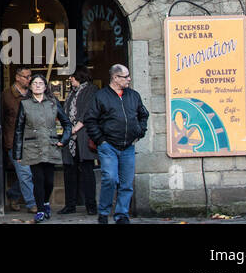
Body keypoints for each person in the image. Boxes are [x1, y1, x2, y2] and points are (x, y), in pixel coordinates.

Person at [84, 63, 149, 224]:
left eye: (128, 76)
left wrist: (140, 132)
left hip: (128, 146)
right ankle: (104, 212)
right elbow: (90, 120)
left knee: (127, 184)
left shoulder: (133, 95)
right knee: (110, 178)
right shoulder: (101, 96)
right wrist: (101, 141)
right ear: (115, 77)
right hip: (108, 146)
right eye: (125, 76)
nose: (129, 79)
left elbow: (143, 115)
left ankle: (121, 215)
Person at [12, 72, 72, 221]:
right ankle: (40, 210)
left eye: (40, 84)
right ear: (31, 87)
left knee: (49, 181)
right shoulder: (25, 104)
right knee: (37, 179)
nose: (38, 86)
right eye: (35, 84)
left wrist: (63, 140)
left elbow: (67, 124)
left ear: (45, 87)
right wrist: (17, 154)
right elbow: (18, 129)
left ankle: (45, 202)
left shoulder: (53, 102)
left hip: (50, 145)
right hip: (32, 146)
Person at [59, 66, 99, 214]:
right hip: (70, 138)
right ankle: (70, 205)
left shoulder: (91, 90)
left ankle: (91, 206)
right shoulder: (72, 93)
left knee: (87, 171)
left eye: (72, 76)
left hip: (83, 136)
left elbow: (88, 111)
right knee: (69, 171)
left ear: (80, 76)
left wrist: (75, 128)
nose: (70, 79)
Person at [1, 65, 36, 212]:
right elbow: (0, 120)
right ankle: (32, 203)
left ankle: (14, 194)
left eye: (30, 77)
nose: (29, 80)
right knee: (25, 173)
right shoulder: (6, 95)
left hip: (33, 140)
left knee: (32, 172)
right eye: (26, 77)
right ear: (17, 77)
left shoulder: (33, 93)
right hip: (15, 141)